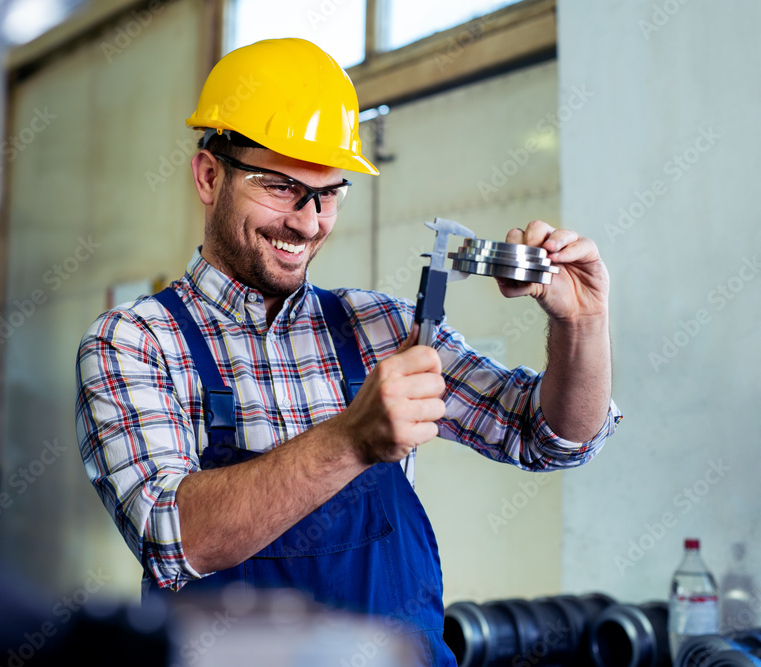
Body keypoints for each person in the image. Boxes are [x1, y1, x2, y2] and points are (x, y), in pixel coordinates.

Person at [75, 37, 621, 665]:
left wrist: (583, 325)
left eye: (327, 193)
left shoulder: (382, 328)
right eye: (280, 188)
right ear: (209, 176)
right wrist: (350, 439)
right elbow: (174, 538)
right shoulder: (134, 343)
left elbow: (549, 436)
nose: (306, 223)